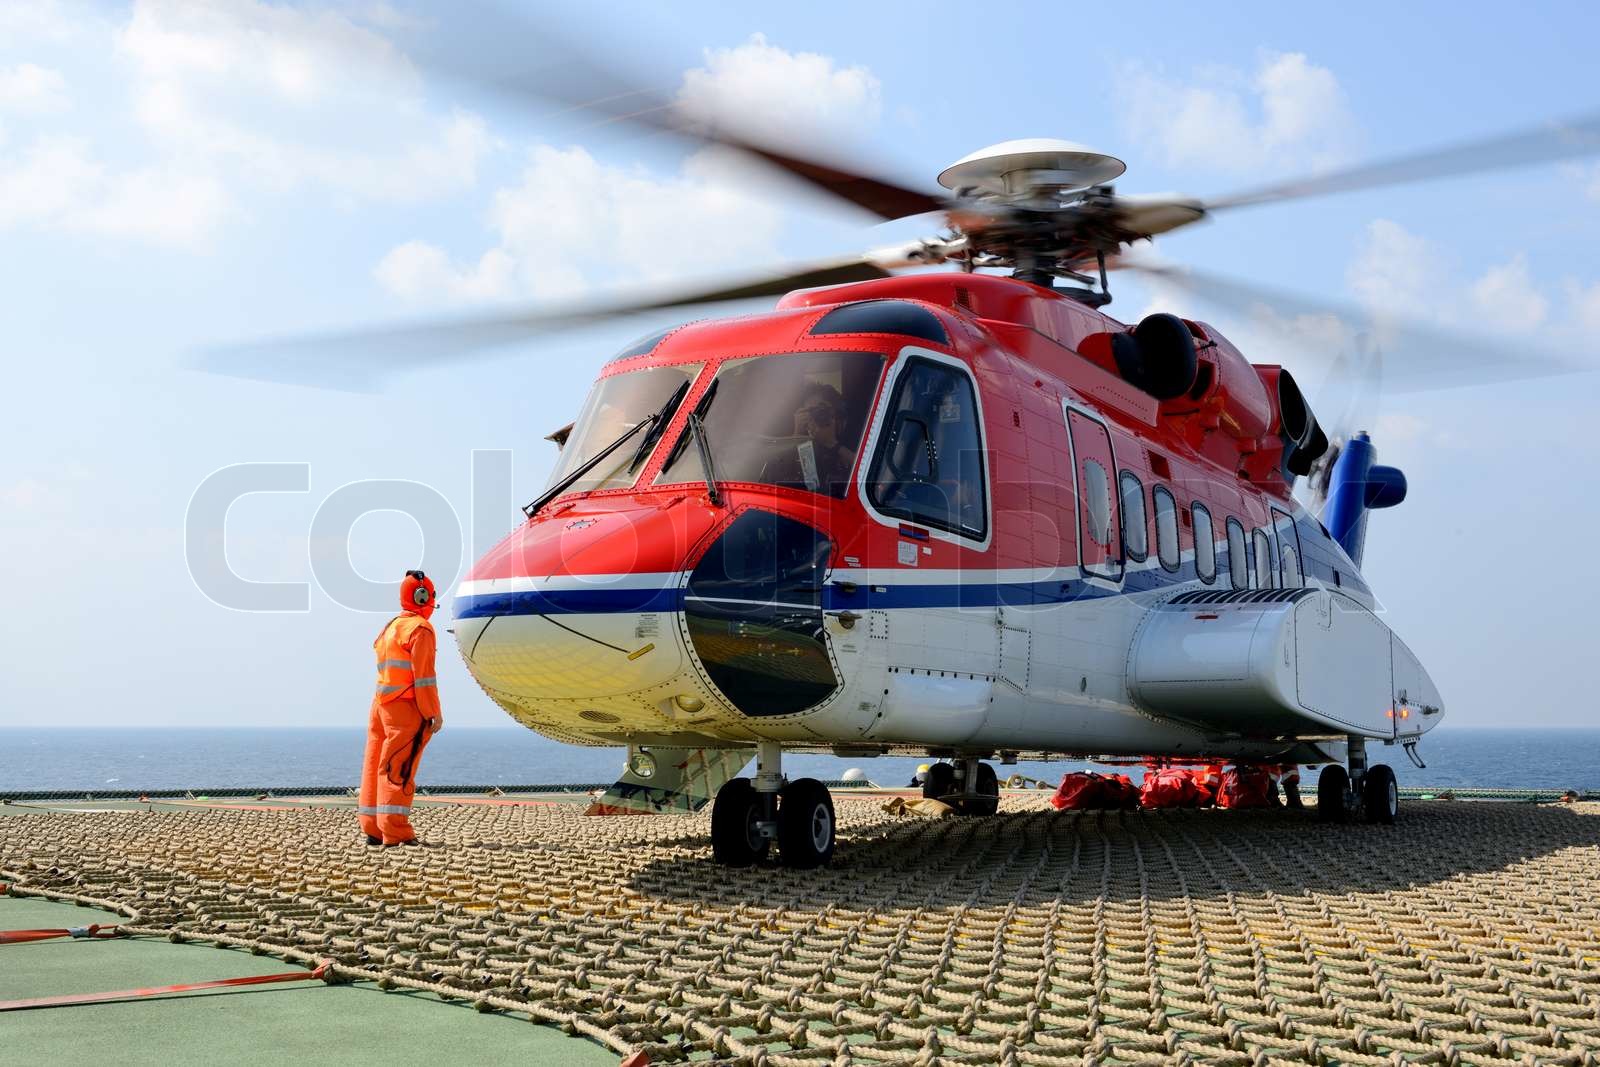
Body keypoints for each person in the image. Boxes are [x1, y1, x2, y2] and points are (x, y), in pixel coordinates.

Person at [359, 570, 443, 846]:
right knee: (399, 769)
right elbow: (424, 678)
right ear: (423, 597)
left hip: (379, 705)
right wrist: (432, 713)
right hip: (403, 708)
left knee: (374, 766)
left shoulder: (390, 627)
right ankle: (395, 832)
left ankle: (372, 827)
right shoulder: (420, 629)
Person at [791, 382, 856, 494]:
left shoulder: (857, 437)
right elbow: (786, 480)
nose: (817, 415)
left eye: (822, 410)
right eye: (811, 411)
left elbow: (868, 474)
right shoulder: (804, 444)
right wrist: (796, 437)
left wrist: (833, 444)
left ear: (838, 414)